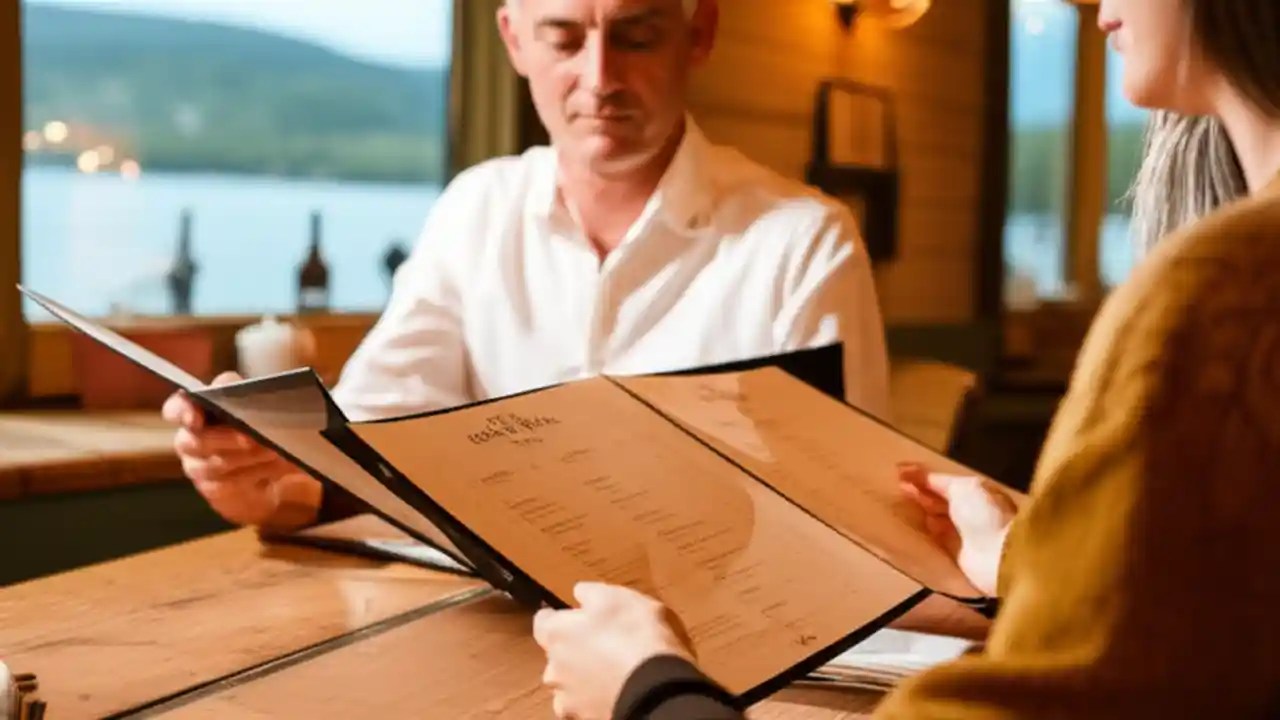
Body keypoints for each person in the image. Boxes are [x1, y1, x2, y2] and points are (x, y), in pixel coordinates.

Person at [532, 0, 1280, 717]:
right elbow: (1211, 603)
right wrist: (1023, 560)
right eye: (564, 39)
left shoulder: (1226, 301)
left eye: (635, 34)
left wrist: (647, 692)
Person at [161, 0, 892, 533]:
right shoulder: (477, 208)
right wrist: (270, 469)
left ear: (698, 32)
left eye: (636, 36)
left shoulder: (803, 243)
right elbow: (377, 436)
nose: (600, 76)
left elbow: (854, 524)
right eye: (564, 38)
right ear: (513, 38)